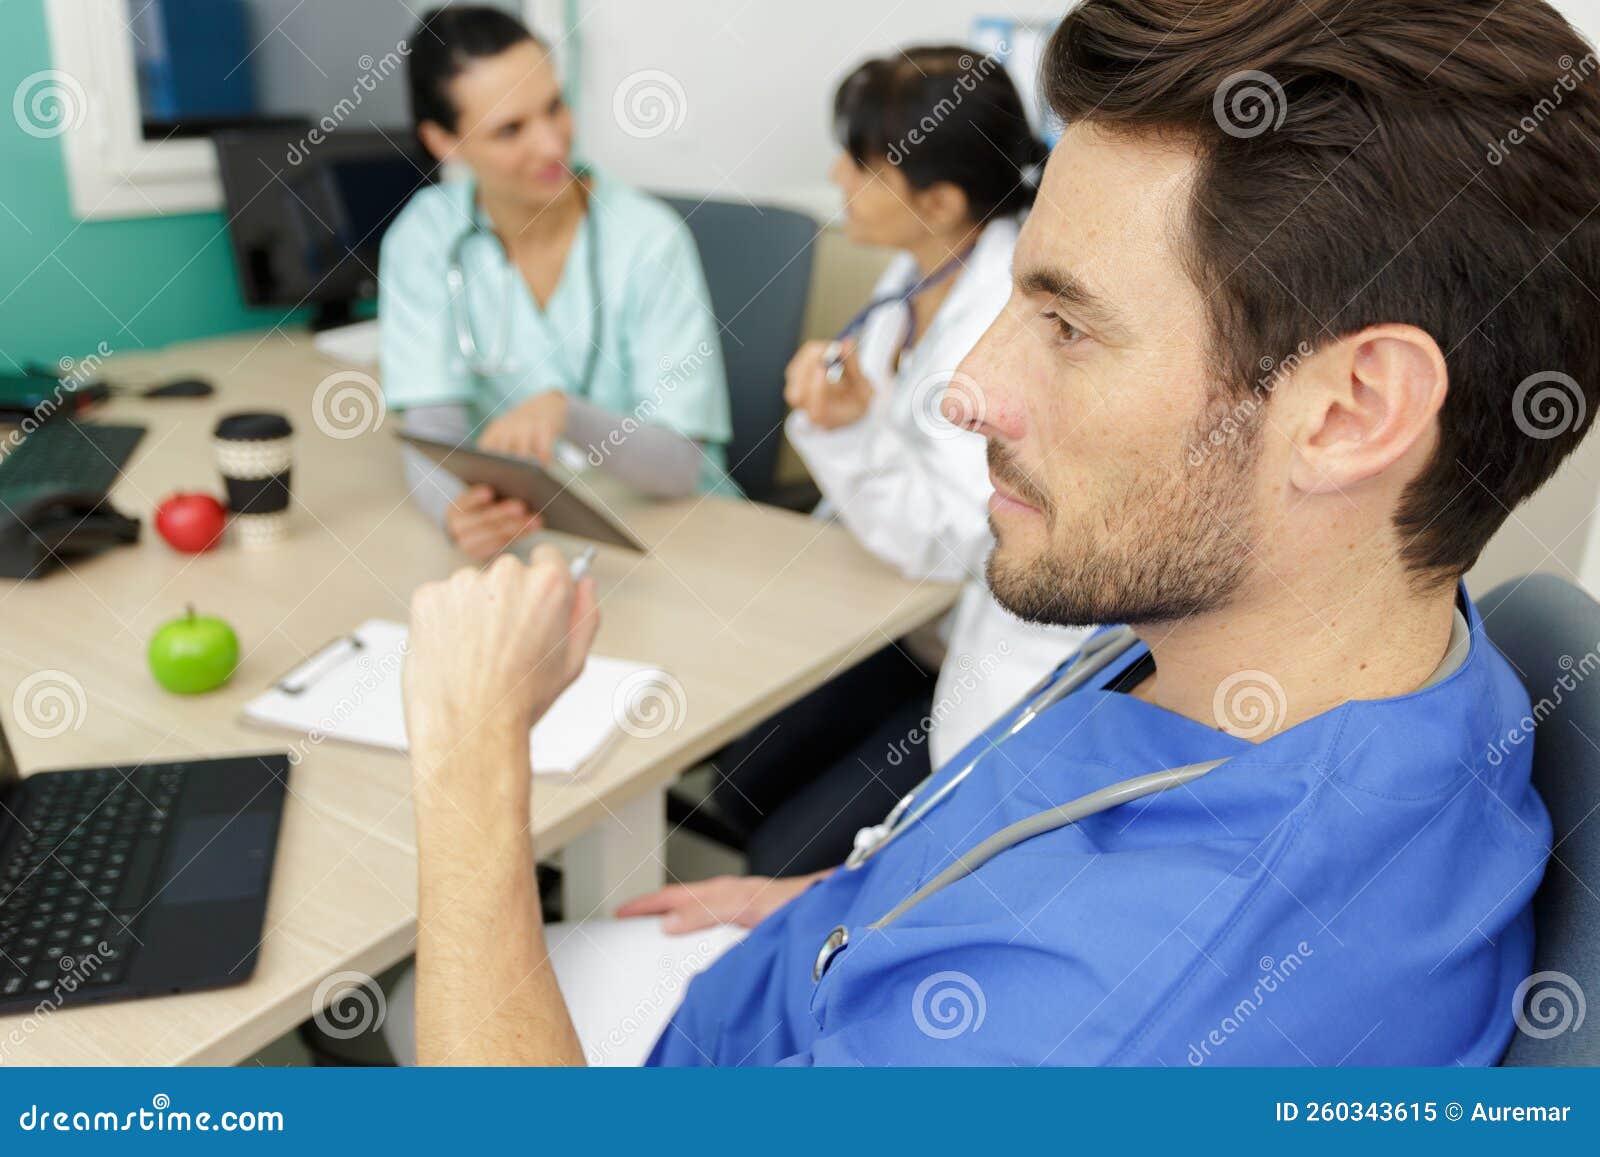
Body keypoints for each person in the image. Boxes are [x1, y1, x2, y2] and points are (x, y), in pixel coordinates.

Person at [394, 0, 1598, 1065]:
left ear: (1349, 412)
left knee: (413, 990)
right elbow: (1034, 821)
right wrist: (851, 900)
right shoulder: (1278, 644)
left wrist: (469, 763)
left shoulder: (1097, 1022)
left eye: (1069, 326)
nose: (966, 385)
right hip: (808, 958)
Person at [709, 47, 1090, 877]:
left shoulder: (1007, 318)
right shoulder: (918, 270)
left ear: (942, 200)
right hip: (888, 622)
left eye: (859, 162)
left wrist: (845, 434)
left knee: (781, 854)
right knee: (733, 786)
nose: (835, 175)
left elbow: (954, 536)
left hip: (966, 653)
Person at [379, 6, 734, 561]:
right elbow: (433, 430)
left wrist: (566, 414)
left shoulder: (648, 238)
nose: (551, 146)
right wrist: (458, 515)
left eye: (554, 106)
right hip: (535, 537)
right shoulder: (424, 238)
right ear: (443, 141)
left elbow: (677, 466)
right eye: (510, 129)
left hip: (676, 534)